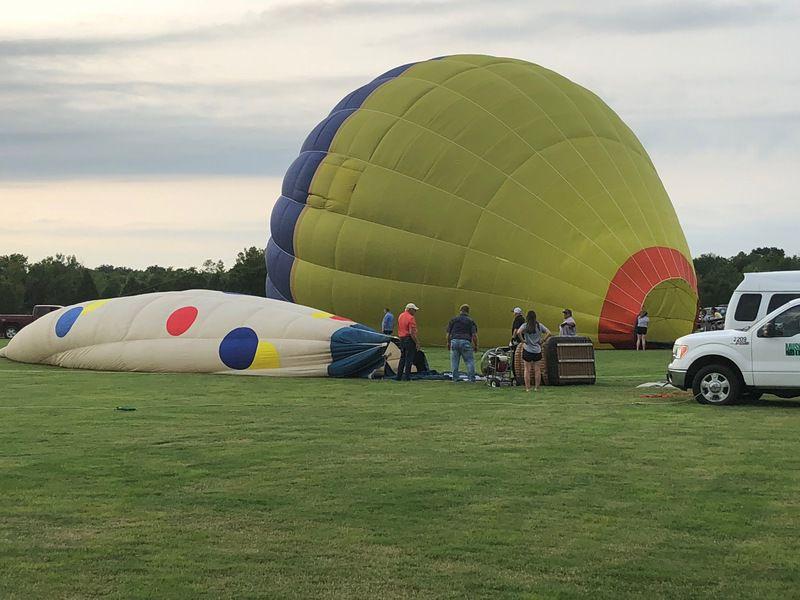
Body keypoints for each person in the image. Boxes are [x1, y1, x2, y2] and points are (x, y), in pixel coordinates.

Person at [516, 310, 550, 392]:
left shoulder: (525, 325)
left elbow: (518, 332)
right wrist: (542, 341)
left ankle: (528, 388)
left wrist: (523, 340)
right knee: (537, 370)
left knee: (527, 369)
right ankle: (537, 388)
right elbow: (549, 333)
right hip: (537, 350)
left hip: (527, 349)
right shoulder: (539, 326)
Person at [446, 304, 479, 383]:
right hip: (465, 342)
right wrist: (476, 345)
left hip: (454, 341)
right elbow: (474, 335)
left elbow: (448, 334)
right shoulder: (470, 321)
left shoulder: (453, 320)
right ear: (468, 312)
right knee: (469, 361)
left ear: (460, 310)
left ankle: (455, 379)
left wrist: (448, 342)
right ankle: (471, 379)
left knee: (454, 362)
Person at [395, 303, 420, 381]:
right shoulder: (411, 318)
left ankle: (398, 376)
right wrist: (417, 342)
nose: (415, 312)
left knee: (402, 358)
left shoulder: (400, 316)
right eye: (414, 310)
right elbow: (412, 332)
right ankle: (407, 377)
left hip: (401, 339)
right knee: (409, 359)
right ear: (410, 309)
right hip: (409, 339)